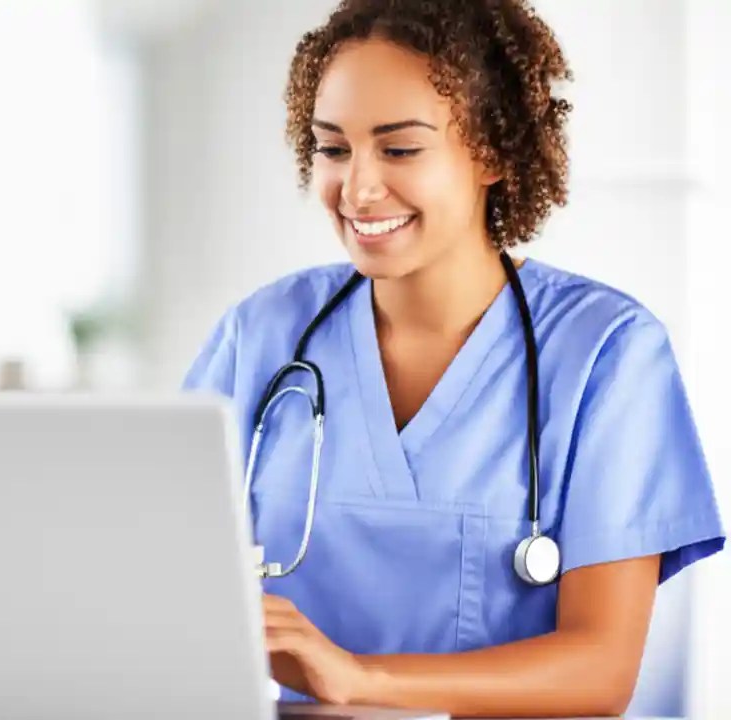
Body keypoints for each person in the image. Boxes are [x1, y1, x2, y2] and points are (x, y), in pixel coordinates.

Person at [180, 0, 725, 716]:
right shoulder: (261, 335)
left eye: (400, 149)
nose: (358, 189)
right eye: (334, 149)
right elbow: (161, 586)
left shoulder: (606, 352)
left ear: (492, 151)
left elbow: (601, 670)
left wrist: (359, 680)